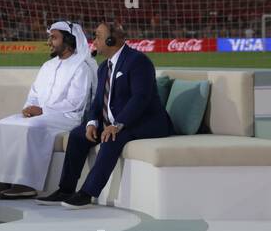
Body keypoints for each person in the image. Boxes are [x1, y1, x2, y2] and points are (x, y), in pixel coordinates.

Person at [40, 21, 173, 208]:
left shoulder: (138, 61)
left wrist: (117, 124)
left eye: (98, 36)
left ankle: (87, 193)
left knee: (112, 137)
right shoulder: (104, 67)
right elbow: (97, 101)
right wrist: (92, 122)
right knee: (78, 135)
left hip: (145, 122)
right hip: (114, 122)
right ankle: (66, 189)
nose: (95, 40)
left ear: (112, 40)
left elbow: (140, 98)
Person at [0, 21, 95, 199]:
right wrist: (28, 108)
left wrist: (42, 110)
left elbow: (75, 102)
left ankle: (25, 184)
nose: (49, 42)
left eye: (54, 37)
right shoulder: (47, 66)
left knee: (31, 127)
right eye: (50, 37)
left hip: (67, 116)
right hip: (42, 114)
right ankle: (3, 180)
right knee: (2, 125)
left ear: (69, 40)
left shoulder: (81, 67)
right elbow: (34, 93)